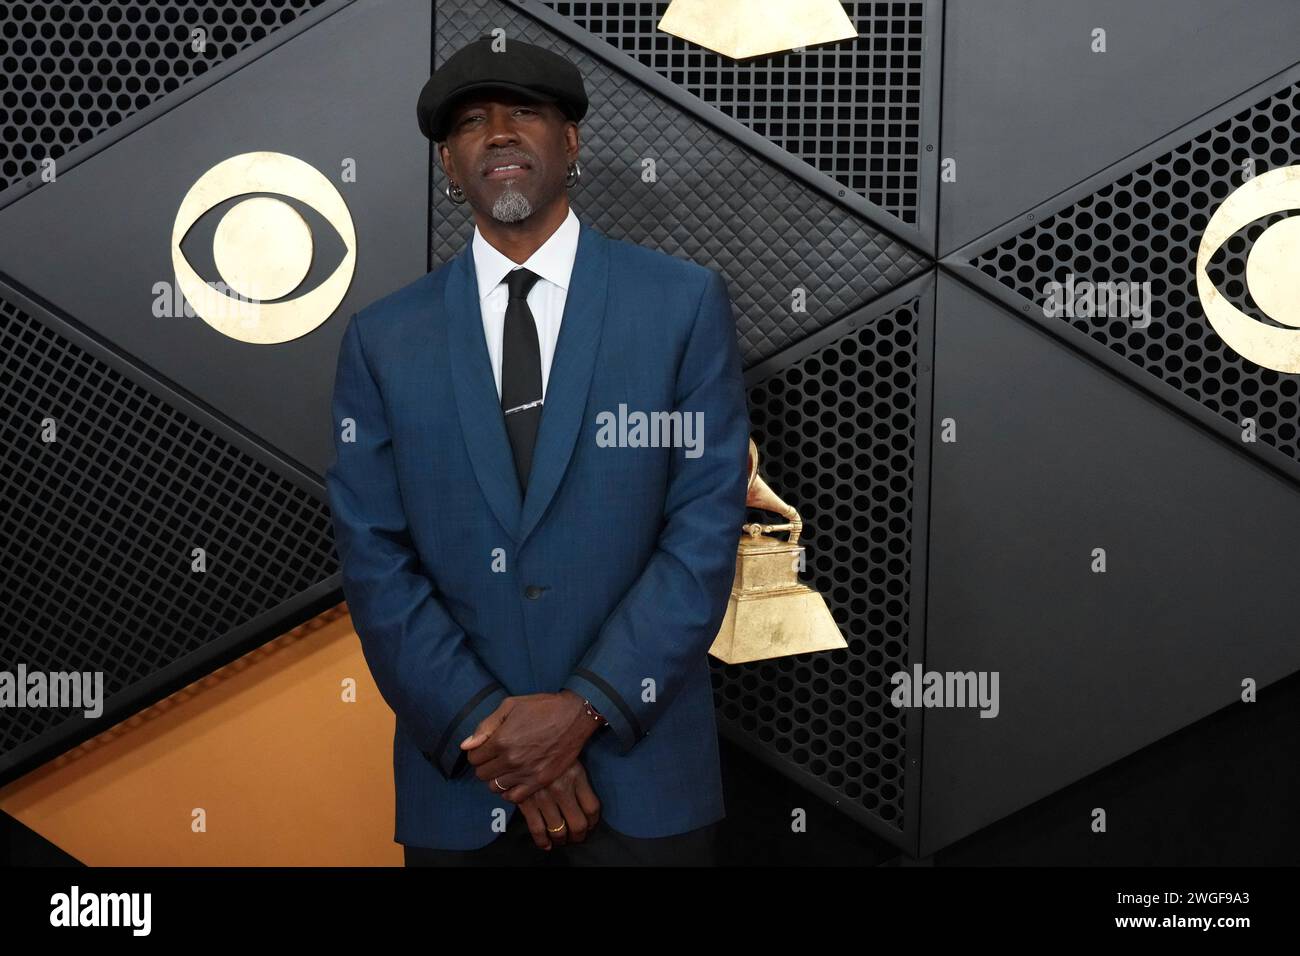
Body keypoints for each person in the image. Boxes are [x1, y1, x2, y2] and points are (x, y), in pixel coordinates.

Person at [325, 33, 750, 866]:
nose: (501, 133)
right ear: (450, 164)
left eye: (526, 112)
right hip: (464, 784)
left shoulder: (681, 304)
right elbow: (374, 555)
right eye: (473, 122)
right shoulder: (383, 340)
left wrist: (585, 709)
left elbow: (703, 531)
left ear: (572, 142)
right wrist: (491, 731)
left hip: (645, 776)